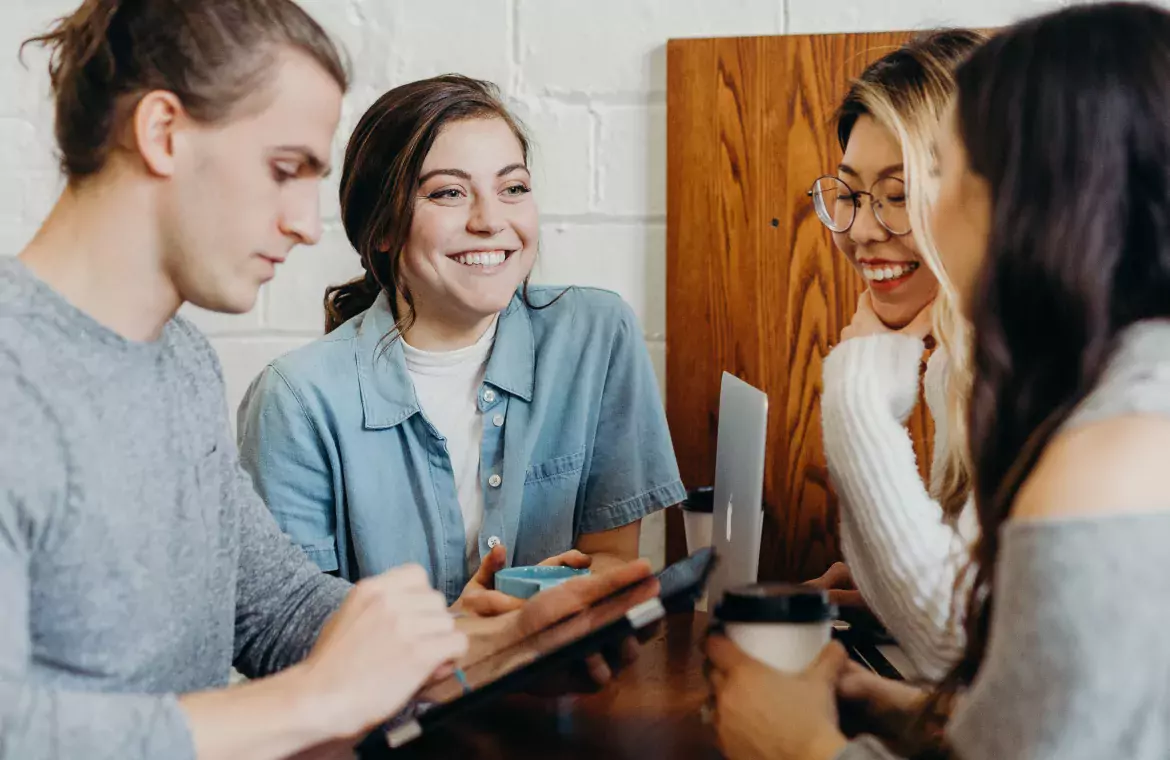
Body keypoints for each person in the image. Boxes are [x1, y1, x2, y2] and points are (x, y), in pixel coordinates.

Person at [0, 2, 653, 758]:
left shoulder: (177, 360)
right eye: (285, 170)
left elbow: (278, 610)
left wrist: (483, 648)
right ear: (162, 133)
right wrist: (312, 702)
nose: (310, 224)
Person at [708, 3, 1170, 758]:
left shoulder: (1109, 453)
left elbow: (960, 648)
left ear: (1038, 197)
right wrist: (906, 713)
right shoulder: (1117, 387)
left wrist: (797, 748)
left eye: (941, 172)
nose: (875, 223)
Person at [236, 74, 685, 614]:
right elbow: (293, 630)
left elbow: (611, 560)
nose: (491, 221)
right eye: (449, 192)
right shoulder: (295, 400)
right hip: (394, 699)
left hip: (561, 687)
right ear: (381, 228)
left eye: (512, 188)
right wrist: (463, 638)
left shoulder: (596, 335)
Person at [809, 30, 985, 680]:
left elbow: (955, 644)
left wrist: (856, 390)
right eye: (851, 193)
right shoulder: (959, 363)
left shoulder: (1042, 372)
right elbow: (981, 624)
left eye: (899, 192)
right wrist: (886, 593)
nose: (859, 229)